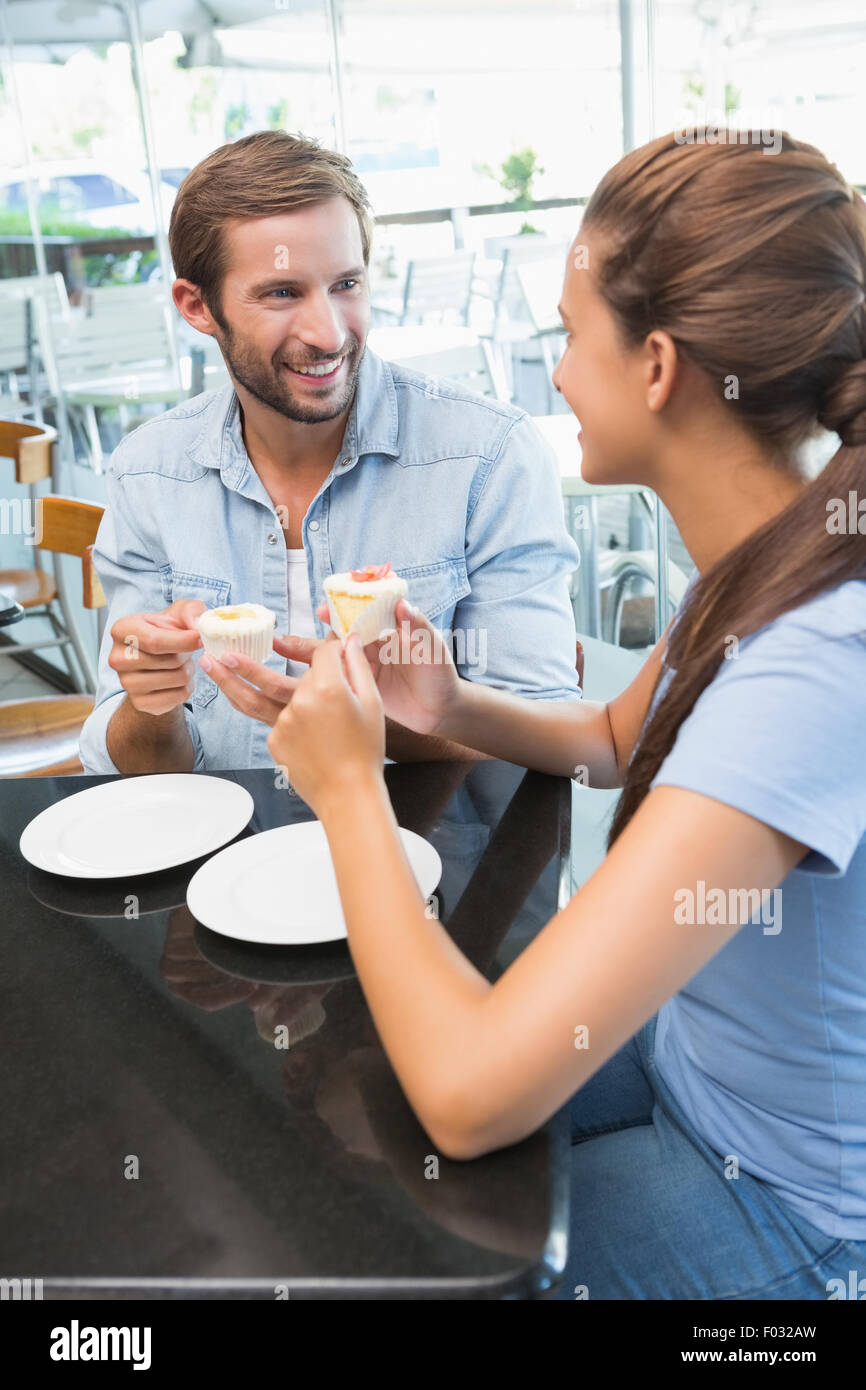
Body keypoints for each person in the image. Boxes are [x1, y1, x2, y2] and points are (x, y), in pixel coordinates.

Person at [231, 129, 866, 1300]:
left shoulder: (817, 662)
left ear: (659, 365)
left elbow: (472, 1097)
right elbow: (622, 738)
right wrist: (451, 700)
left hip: (794, 1204)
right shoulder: (767, 557)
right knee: (366, 1138)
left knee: (420, 1229)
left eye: (573, 337)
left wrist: (348, 788)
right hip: (695, 1066)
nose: (559, 371)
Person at [78, 131, 581, 776]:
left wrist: (382, 720)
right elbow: (137, 766)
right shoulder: (147, 472)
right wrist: (151, 704)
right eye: (283, 293)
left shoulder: (490, 456)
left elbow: (548, 735)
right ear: (196, 306)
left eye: (345, 284)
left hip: (432, 859)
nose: (330, 333)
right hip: (223, 866)